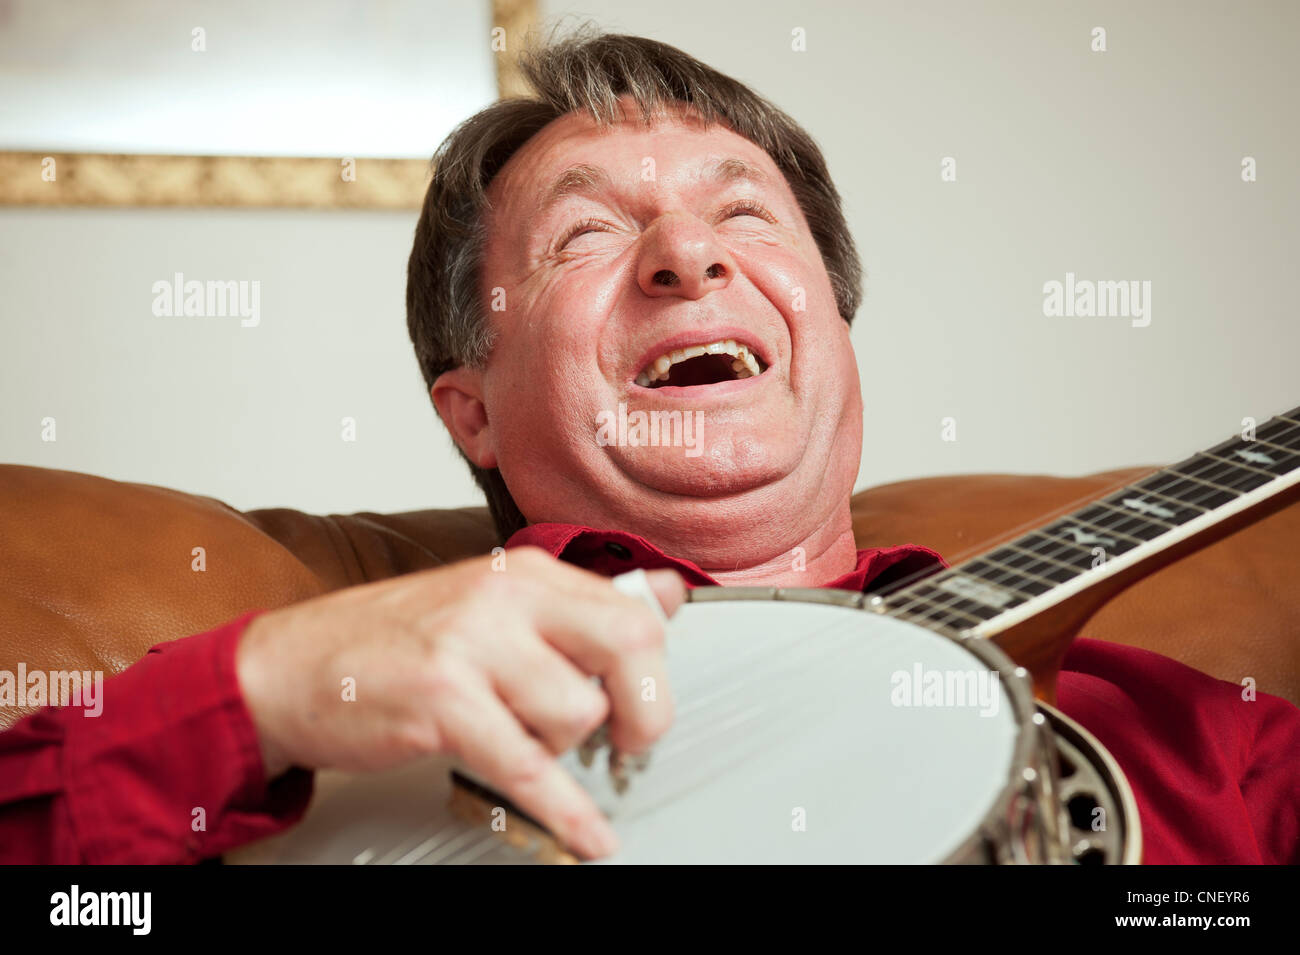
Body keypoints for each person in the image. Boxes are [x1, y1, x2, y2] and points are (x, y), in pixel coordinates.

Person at [1, 30, 1296, 865]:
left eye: (744, 212)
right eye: (584, 237)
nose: (690, 254)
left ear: (832, 335)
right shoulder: (295, 712)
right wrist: (266, 692)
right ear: (475, 410)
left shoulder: (1193, 741)